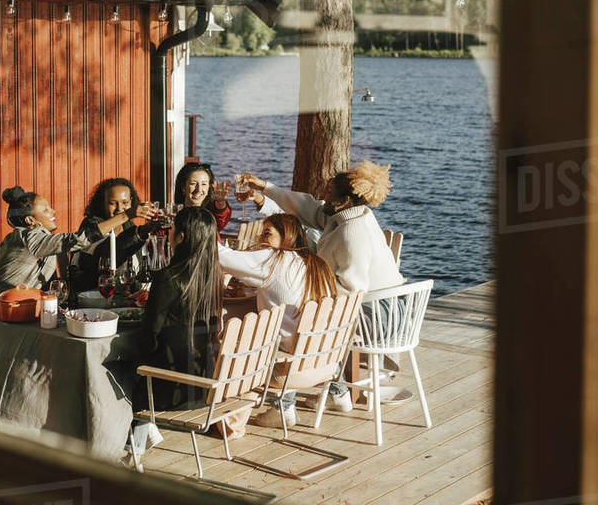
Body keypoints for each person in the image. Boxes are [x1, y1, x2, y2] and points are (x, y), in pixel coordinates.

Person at [217, 213, 342, 427]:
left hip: (290, 372)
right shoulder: (316, 263)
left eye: (267, 234)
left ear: (287, 237)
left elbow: (222, 256)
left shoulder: (274, 259)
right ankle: (283, 408)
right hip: (328, 365)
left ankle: (230, 424)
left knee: (233, 347)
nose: (261, 239)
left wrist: (200, 227)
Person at [128, 207, 223, 458]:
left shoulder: (169, 278)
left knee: (117, 367)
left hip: (171, 391)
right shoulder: (213, 276)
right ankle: (144, 433)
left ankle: (133, 445)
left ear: (180, 237)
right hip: (203, 386)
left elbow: (148, 338)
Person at [239, 161, 404, 294]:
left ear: (344, 202)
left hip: (377, 311)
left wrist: (302, 290)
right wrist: (264, 186)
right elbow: (306, 206)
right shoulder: (347, 215)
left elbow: (352, 289)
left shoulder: (352, 233)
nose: (323, 196)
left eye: (329, 192)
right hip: (364, 303)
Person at [0, 186, 94, 308]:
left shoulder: (13, 239)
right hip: (3, 311)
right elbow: (78, 240)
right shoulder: (33, 238)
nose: (53, 211)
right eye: (45, 210)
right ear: (30, 220)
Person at [66, 178, 156, 293]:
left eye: (125, 203)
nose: (120, 208)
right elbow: (110, 254)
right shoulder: (92, 225)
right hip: (93, 294)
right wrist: (138, 228)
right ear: (102, 203)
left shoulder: (129, 225)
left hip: (126, 294)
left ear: (131, 201)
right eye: (113, 203)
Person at [173, 161, 232, 232]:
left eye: (204, 184)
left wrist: (220, 201)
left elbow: (222, 218)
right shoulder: (173, 215)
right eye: (193, 184)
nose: (199, 189)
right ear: (183, 187)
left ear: (209, 187)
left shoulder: (211, 215)